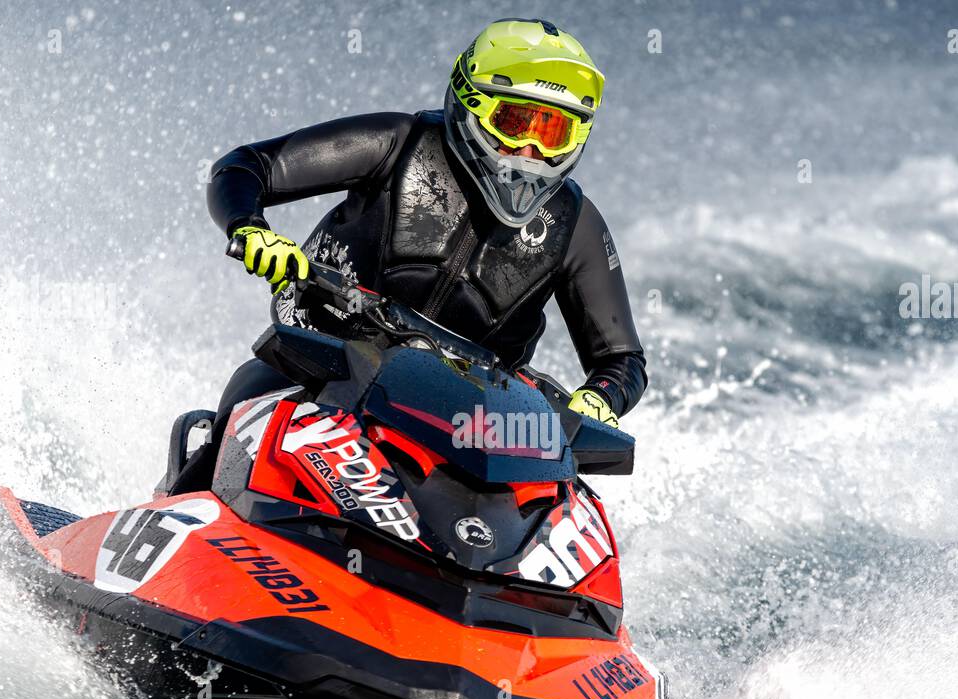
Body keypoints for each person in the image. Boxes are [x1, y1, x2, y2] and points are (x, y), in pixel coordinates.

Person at [206, 17, 646, 439]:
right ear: (471, 101)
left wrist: (599, 397)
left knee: (555, 493)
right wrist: (250, 228)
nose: (529, 150)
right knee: (238, 411)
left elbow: (621, 360)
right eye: (515, 124)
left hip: (466, 430)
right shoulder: (396, 144)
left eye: (553, 133)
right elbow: (246, 167)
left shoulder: (576, 224)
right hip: (317, 370)